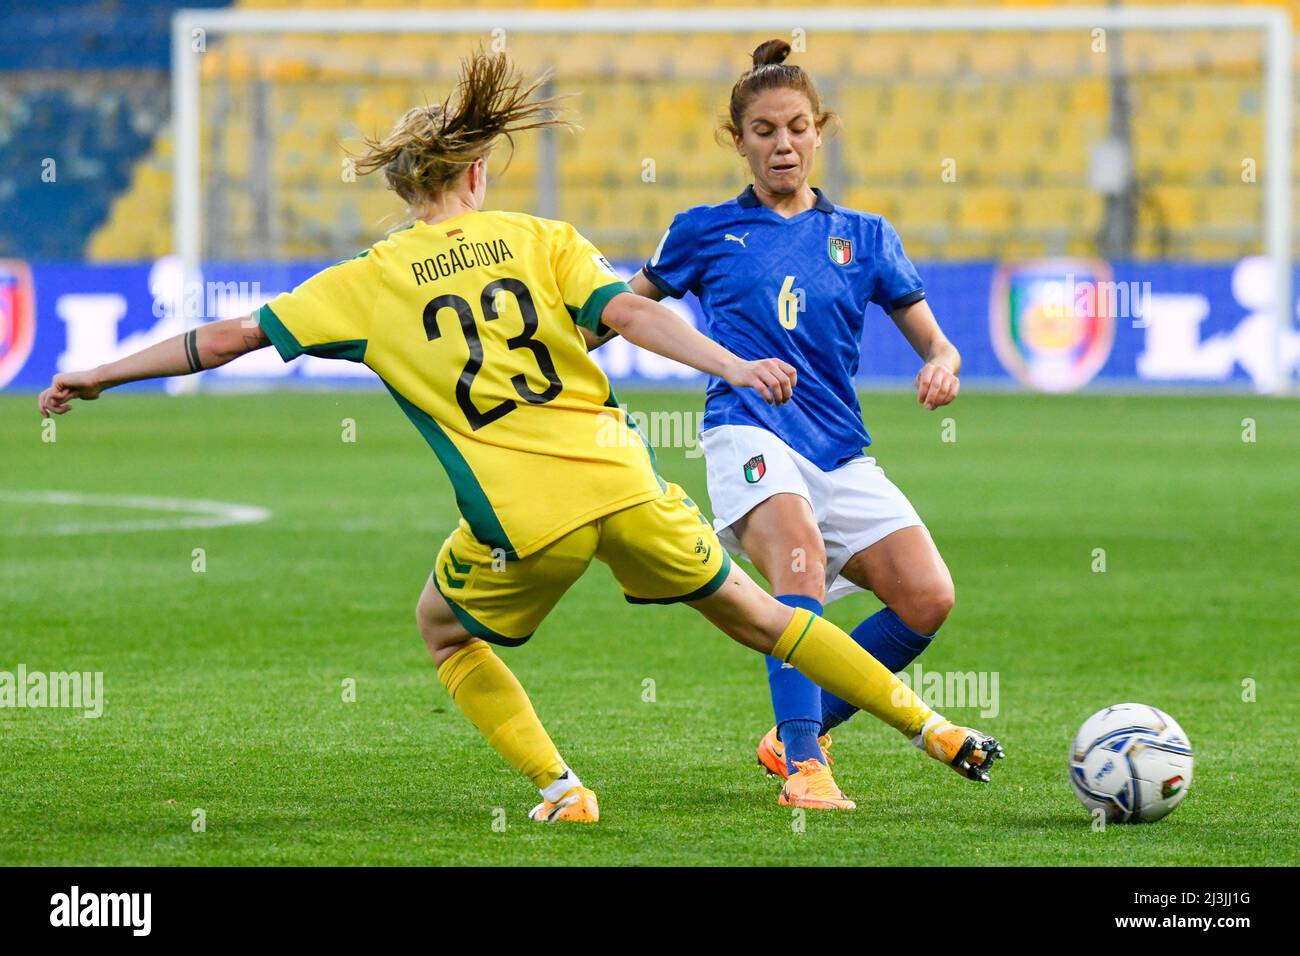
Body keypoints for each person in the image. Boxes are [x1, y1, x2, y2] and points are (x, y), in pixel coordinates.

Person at [39, 50, 1000, 824]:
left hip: (521, 516)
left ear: (411, 185)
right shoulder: (541, 237)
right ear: (478, 173)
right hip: (626, 483)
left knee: (442, 627)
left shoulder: (366, 282)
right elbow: (630, 313)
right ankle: (933, 728)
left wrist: (103, 370)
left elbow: (229, 337)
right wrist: (732, 366)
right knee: (766, 614)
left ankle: (562, 788)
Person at [627, 40, 979, 810]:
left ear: (820, 131)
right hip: (745, 428)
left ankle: (805, 724)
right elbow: (623, 309)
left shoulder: (867, 235)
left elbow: (934, 338)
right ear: (738, 140)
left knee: (927, 598)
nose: (781, 144)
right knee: (798, 558)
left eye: (795, 127)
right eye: (763, 131)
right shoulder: (703, 231)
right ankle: (804, 766)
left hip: (839, 446)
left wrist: (942, 362)